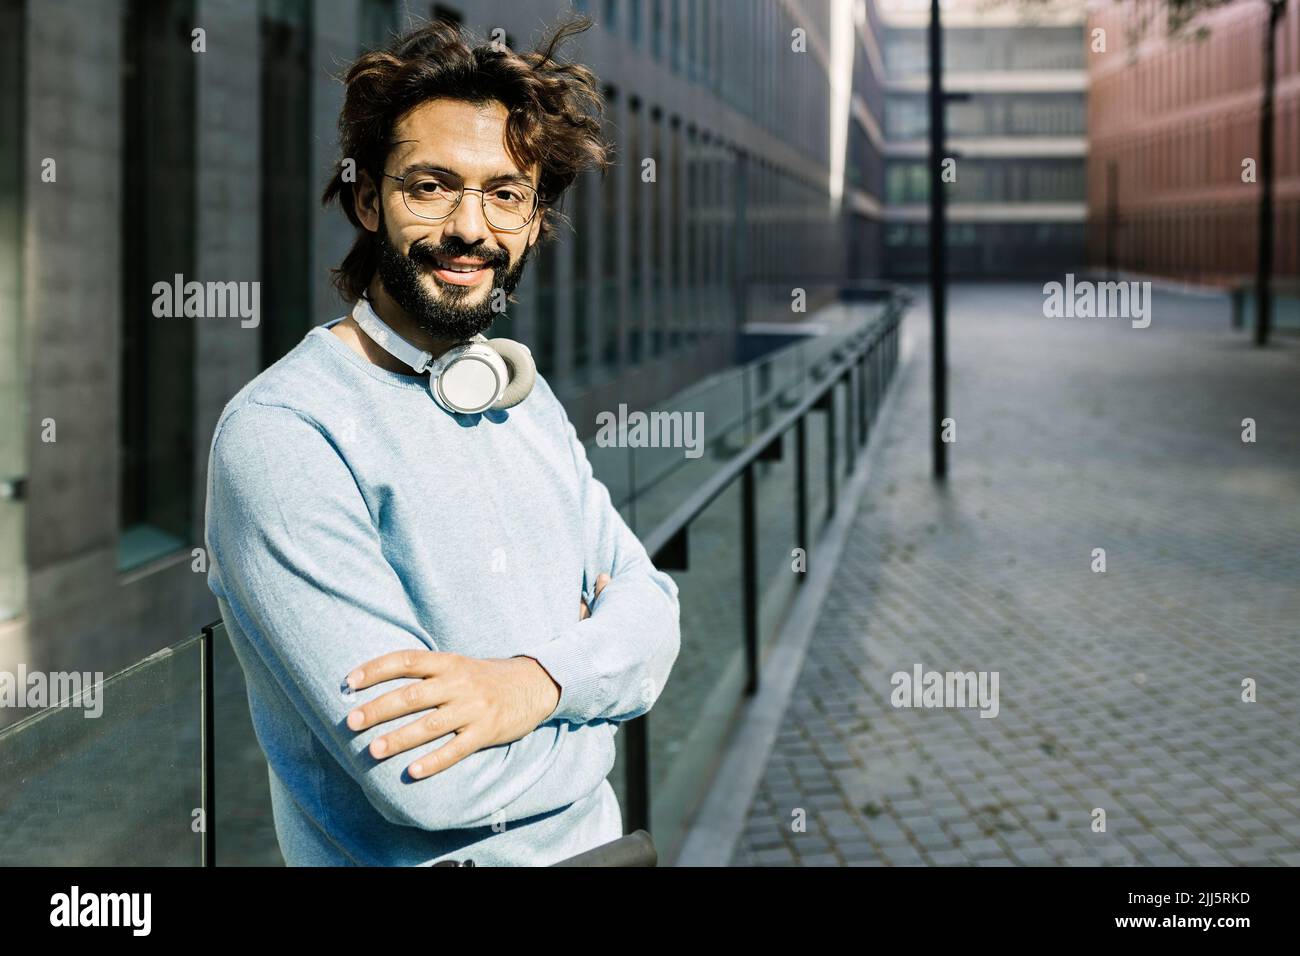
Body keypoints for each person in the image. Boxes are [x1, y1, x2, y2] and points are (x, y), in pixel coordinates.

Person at [203, 14, 680, 866]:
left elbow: (656, 619)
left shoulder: (520, 399)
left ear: (535, 221)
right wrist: (596, 707)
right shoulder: (284, 435)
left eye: (505, 193)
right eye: (430, 186)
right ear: (365, 199)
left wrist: (527, 685)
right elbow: (425, 777)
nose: (471, 227)